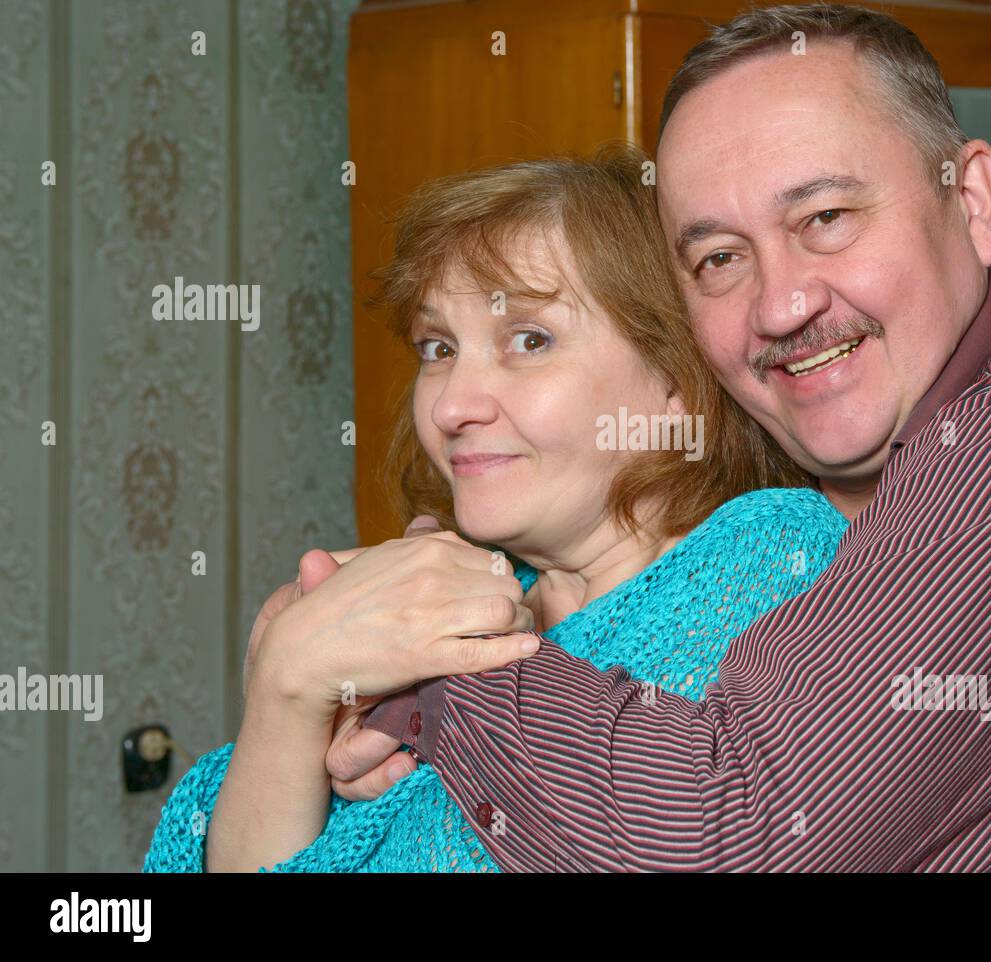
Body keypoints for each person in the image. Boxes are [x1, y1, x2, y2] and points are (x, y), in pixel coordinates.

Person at [325, 4, 991, 870]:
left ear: (972, 202)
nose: (782, 303)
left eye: (826, 217)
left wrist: (449, 648)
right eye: (718, 257)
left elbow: (730, 832)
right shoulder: (805, 481)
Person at [142, 144, 848, 872]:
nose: (450, 405)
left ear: (675, 377)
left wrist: (374, 676)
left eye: (529, 340)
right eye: (438, 346)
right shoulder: (432, 603)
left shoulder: (772, 564)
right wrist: (287, 702)